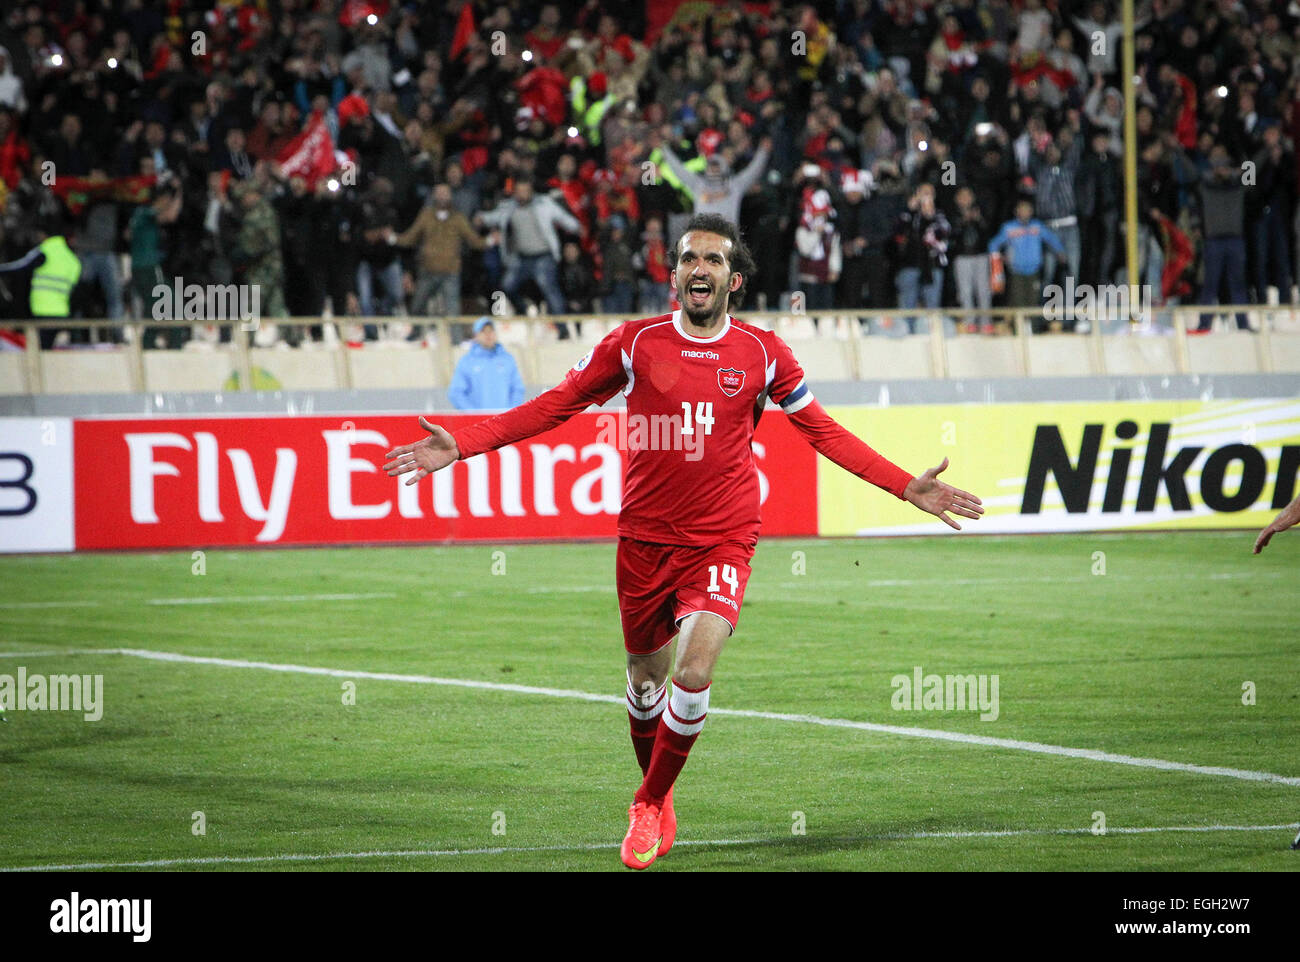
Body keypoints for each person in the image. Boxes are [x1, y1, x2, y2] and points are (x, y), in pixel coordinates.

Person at [381, 213, 984, 870]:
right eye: (689, 259)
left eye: (714, 261)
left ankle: (647, 801)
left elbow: (822, 431)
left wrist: (904, 486)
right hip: (643, 541)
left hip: (722, 539)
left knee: (694, 674)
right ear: (673, 275)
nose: (700, 269)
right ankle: (659, 796)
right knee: (646, 682)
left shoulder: (763, 354)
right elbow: (557, 404)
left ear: (735, 279)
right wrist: (463, 445)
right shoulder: (634, 344)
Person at [0, 219, 82, 348]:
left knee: (40, 350)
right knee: (47, 348)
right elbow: (76, 291)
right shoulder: (72, 259)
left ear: (43, 235)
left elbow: (21, 267)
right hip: (62, 311)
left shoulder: (46, 251)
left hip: (43, 311)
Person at [447, 317, 526, 411]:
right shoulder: (467, 361)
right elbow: (456, 393)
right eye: (483, 331)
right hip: (478, 422)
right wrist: (473, 414)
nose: (488, 335)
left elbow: (517, 389)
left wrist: (510, 413)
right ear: (476, 335)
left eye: (491, 331)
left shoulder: (507, 359)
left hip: (503, 421)